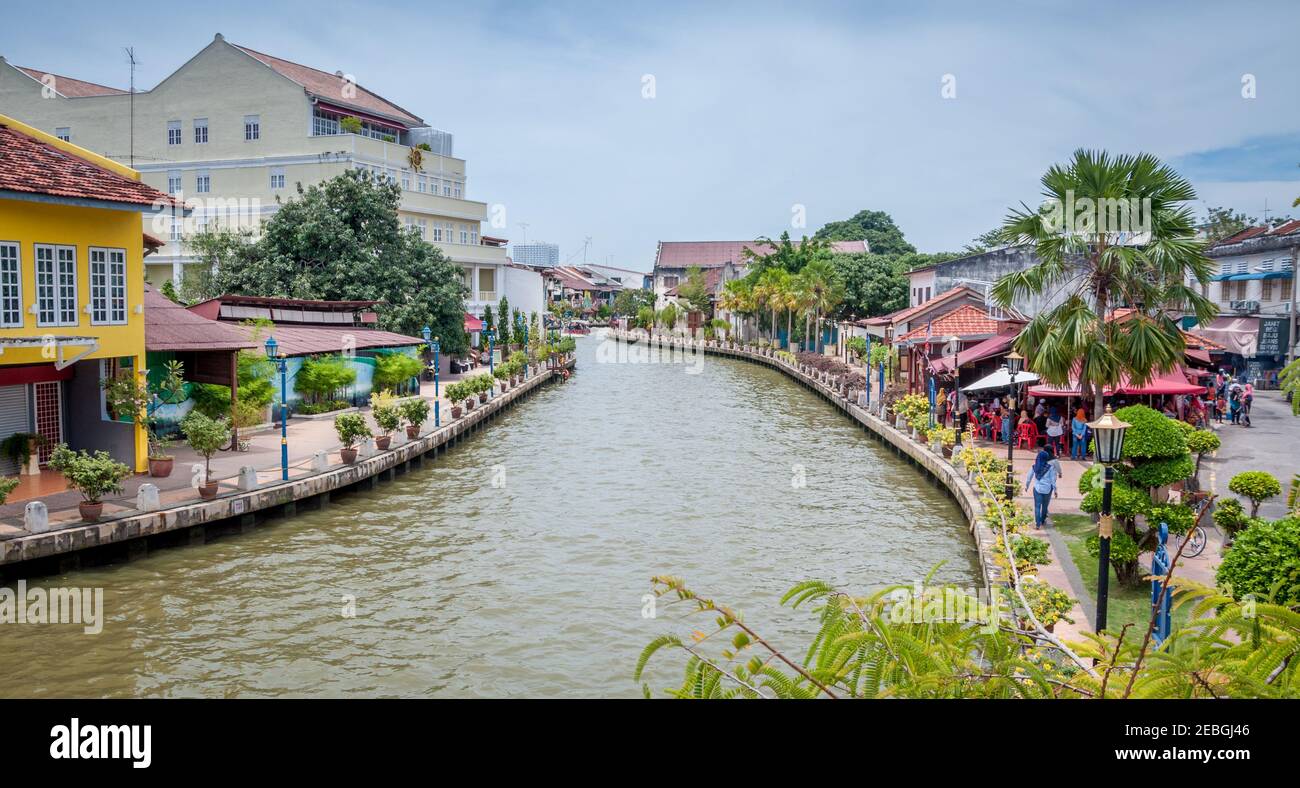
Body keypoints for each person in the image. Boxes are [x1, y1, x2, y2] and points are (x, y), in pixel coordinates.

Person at [1024, 444, 1059, 529]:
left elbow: (1029, 477)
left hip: (1037, 489)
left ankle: (1037, 523)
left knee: (1037, 506)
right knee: (1045, 506)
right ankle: (1042, 520)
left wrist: (1027, 486)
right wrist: (1055, 490)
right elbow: (1052, 479)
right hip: (1048, 489)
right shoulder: (1050, 467)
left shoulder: (1034, 467)